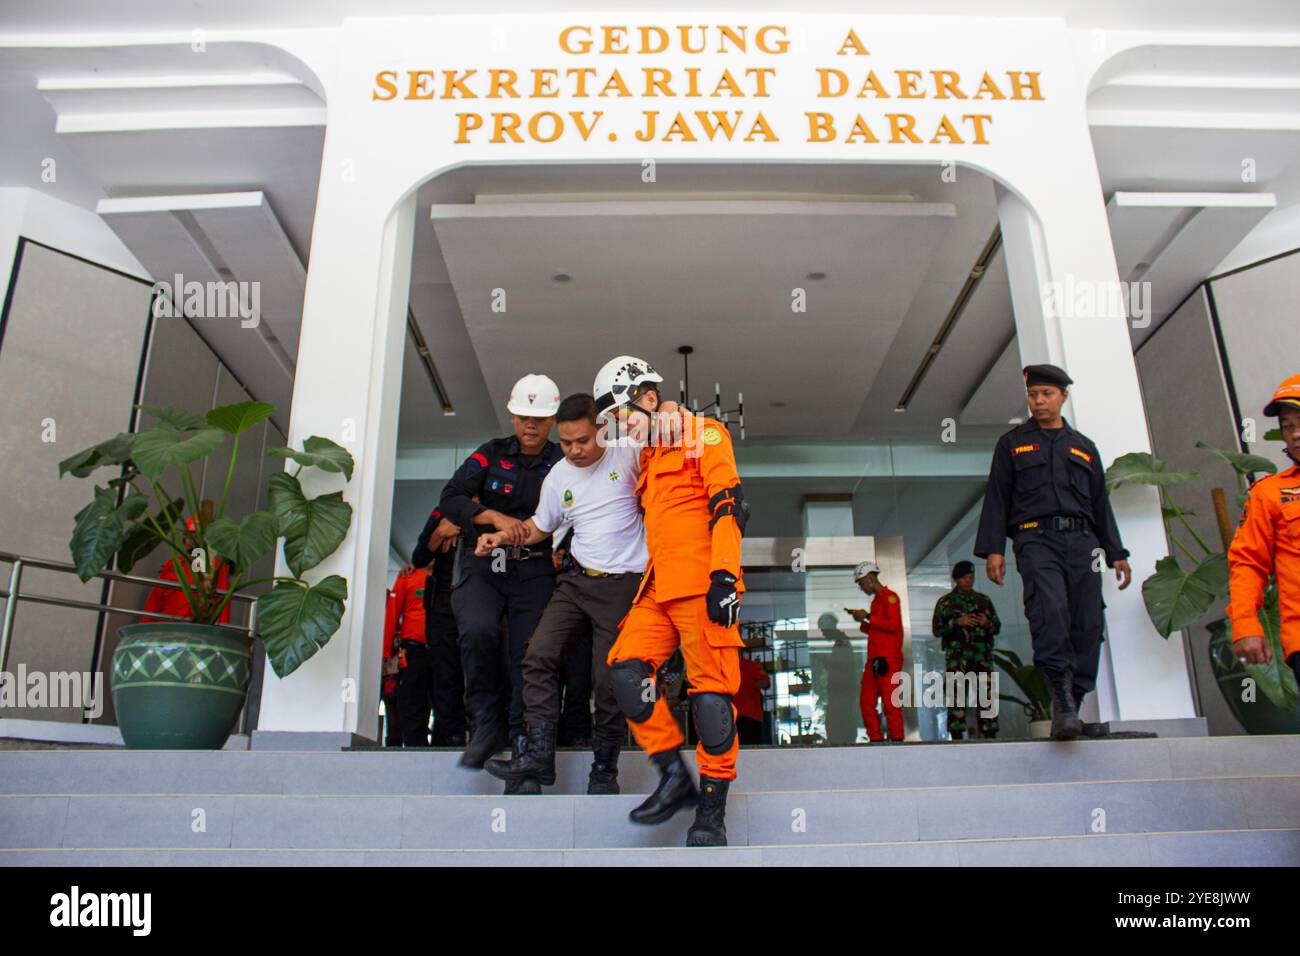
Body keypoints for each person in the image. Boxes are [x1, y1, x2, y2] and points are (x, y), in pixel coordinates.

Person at [476, 392, 676, 795]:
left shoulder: (629, 452)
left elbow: (665, 430)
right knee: (537, 655)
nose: (573, 451)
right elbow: (540, 526)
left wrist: (668, 408)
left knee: (608, 681)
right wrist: (500, 537)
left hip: (623, 585)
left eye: (581, 441)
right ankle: (538, 755)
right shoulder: (559, 475)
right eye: (565, 443)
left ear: (602, 428)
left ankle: (604, 768)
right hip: (575, 582)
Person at [602, 355, 750, 847]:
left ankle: (711, 811)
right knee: (624, 669)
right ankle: (672, 775)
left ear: (647, 399)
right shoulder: (647, 455)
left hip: (702, 584)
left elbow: (728, 503)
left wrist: (726, 577)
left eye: (625, 419)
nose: (623, 431)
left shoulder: (703, 434)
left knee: (710, 696)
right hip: (658, 588)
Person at [974, 363, 1133, 741]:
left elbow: (1099, 504)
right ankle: (1061, 703)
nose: (1039, 401)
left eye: (1047, 394)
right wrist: (994, 550)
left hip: (1082, 543)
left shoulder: (1084, 447)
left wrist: (1116, 552)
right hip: (1035, 539)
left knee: (1089, 622)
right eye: (1033, 395)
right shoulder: (1012, 444)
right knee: (1051, 612)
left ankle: (1072, 710)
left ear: (1063, 396)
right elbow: (998, 497)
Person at [437, 373, 565, 777]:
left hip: (537, 568)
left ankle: (524, 741)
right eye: (523, 416)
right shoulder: (490, 455)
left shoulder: (564, 462)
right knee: (477, 631)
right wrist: (493, 517)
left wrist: (564, 546)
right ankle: (485, 724)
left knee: (530, 654)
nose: (531, 425)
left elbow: (582, 511)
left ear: (553, 420)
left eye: (540, 418)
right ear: (512, 415)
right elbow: (451, 498)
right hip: (487, 562)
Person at [1229, 373, 1300, 690]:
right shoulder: (1268, 492)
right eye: (1288, 426)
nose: (1295, 434)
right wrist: (1245, 623)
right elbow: (1247, 562)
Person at [403, 506, 467, 746]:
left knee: (482, 674)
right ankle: (449, 738)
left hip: (483, 606)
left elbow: (503, 564)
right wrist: (440, 534)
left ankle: (487, 734)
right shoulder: (443, 513)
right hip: (442, 608)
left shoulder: (498, 511)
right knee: (445, 676)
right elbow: (419, 557)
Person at [931, 560, 1001, 739]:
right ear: (956, 579)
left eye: (971, 577)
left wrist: (987, 623)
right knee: (956, 695)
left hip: (982, 656)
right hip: (958, 657)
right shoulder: (946, 602)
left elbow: (997, 626)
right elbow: (937, 630)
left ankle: (990, 733)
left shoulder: (983, 601)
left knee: (985, 695)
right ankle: (956, 735)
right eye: (964, 578)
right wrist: (956, 622)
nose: (968, 581)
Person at [848, 562, 905, 742]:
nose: (861, 588)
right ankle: (875, 739)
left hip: (888, 658)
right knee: (866, 702)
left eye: (862, 583)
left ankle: (896, 740)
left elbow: (893, 626)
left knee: (890, 703)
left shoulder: (890, 598)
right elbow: (878, 628)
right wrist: (863, 621)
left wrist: (868, 617)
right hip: (874, 659)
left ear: (871, 579)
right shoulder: (876, 602)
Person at [384, 565, 434, 747]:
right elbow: (392, 613)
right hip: (413, 651)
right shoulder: (408, 576)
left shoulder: (452, 573)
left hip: (444, 650)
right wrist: (386, 652)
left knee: (444, 700)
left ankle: (441, 745)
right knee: (411, 701)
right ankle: (414, 746)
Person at [735, 654, 771, 745]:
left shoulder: (750, 665)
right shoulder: (724, 667)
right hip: (731, 716)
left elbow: (765, 682)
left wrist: (760, 684)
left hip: (750, 716)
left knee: (752, 747)